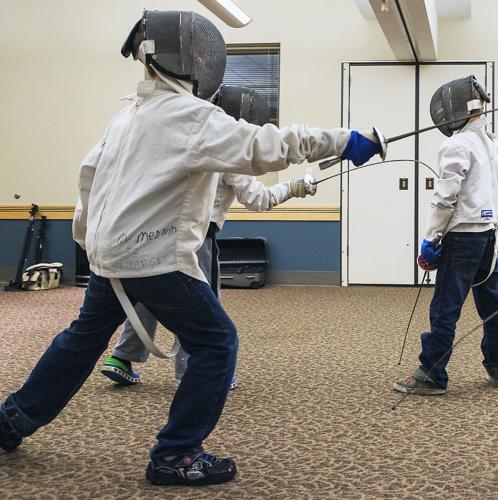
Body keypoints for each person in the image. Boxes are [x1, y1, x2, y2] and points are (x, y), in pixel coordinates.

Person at [0, 10, 383, 487]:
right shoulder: (190, 116)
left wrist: (90, 242)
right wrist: (346, 140)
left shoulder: (128, 114)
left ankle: (11, 419)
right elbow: (266, 144)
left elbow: (88, 176)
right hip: (154, 258)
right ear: (184, 58)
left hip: (109, 257)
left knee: (82, 340)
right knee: (215, 342)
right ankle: (176, 454)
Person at [99, 85, 312, 389]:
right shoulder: (228, 151)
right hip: (197, 235)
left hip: (158, 231)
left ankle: (122, 356)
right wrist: (295, 188)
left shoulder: (187, 134)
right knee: (201, 304)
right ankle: (195, 371)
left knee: (152, 293)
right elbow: (258, 200)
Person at [392, 75, 498, 395]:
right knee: (493, 302)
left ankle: (431, 375)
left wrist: (431, 238)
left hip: (463, 237)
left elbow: (446, 197)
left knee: (445, 306)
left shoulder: (456, 144)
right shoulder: (490, 142)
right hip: (491, 234)